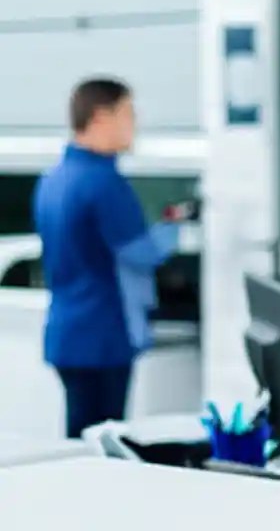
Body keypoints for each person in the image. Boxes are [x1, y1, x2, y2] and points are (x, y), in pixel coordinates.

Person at [35, 77, 178, 439]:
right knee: (105, 445)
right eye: (128, 113)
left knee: (80, 440)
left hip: (67, 332)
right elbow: (142, 253)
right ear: (101, 117)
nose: (135, 125)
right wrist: (177, 225)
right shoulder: (103, 183)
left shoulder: (53, 178)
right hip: (103, 337)